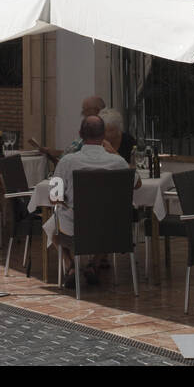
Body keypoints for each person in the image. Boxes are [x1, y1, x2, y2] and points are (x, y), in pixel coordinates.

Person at [52, 115, 130, 288]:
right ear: (104, 136)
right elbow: (136, 183)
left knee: (52, 226)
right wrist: (115, 152)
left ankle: (70, 265)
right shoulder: (118, 162)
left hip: (75, 231)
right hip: (110, 231)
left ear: (80, 134)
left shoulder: (67, 162)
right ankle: (94, 264)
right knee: (110, 217)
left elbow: (54, 196)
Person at [33, 95, 106, 164]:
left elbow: (85, 156)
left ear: (96, 110)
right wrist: (53, 152)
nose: (82, 113)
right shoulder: (87, 127)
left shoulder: (98, 130)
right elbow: (74, 151)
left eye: (85, 110)